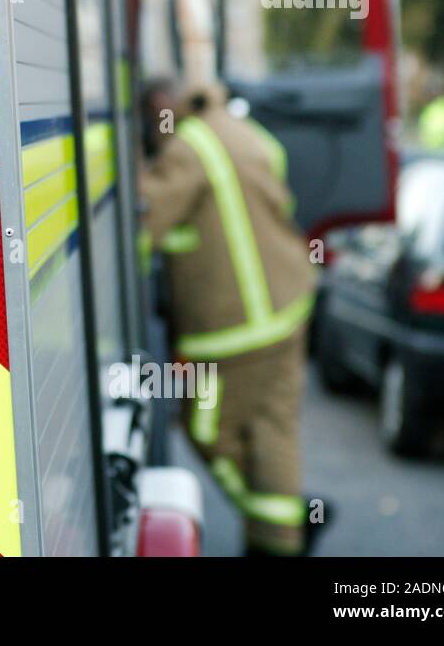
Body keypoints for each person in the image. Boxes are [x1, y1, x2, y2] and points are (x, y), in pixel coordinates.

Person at [139, 79, 321, 556]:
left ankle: (286, 528)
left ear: (163, 109)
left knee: (205, 427)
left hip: (240, 326)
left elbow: (142, 227)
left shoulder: (188, 149)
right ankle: (282, 537)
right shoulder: (243, 131)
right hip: (289, 304)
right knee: (273, 426)